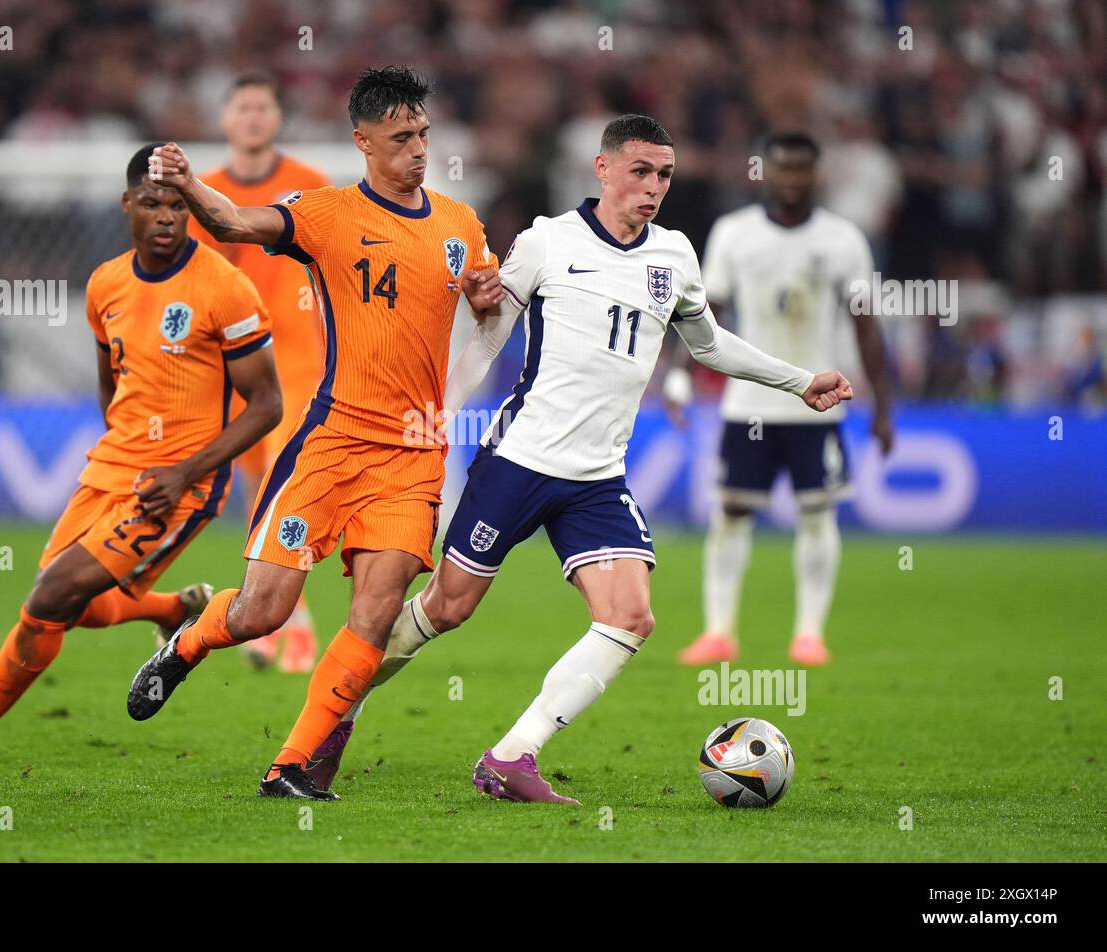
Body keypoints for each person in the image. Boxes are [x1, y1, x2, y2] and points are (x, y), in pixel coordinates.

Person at [304, 116, 854, 801]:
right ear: (602, 169)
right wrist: (436, 410)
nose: (653, 188)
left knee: (630, 616)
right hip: (520, 461)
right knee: (444, 610)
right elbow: (488, 335)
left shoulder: (675, 255)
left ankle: (511, 757)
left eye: (665, 176)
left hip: (596, 476)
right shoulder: (547, 240)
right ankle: (335, 714)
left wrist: (800, 381)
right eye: (640, 171)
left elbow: (709, 345)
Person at [125, 67, 506, 800]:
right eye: (401, 138)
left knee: (375, 610)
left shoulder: (461, 225)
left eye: (423, 134)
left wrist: (487, 301)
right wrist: (187, 184)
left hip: (415, 452)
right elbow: (236, 222)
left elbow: (488, 312)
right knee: (262, 612)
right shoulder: (328, 215)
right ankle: (192, 639)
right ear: (362, 141)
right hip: (331, 442)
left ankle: (290, 766)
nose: (418, 149)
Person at [0, 143, 282, 765]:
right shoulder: (106, 283)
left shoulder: (226, 288)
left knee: (49, 595)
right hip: (112, 467)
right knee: (75, 607)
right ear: (127, 205)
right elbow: (109, 378)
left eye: (177, 204)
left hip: (182, 483)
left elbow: (267, 406)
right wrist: (122, 446)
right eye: (151, 203)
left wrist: (182, 472)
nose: (166, 216)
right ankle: (174, 609)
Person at [674, 131, 893, 668]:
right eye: (783, 168)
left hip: (816, 404)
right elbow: (705, 317)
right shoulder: (733, 233)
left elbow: (866, 326)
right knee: (730, 512)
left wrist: (884, 407)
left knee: (817, 515)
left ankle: (809, 634)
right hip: (746, 401)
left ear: (817, 174)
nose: (792, 179)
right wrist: (680, 378)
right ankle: (719, 632)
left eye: (802, 169)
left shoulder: (843, 240)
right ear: (764, 172)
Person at [190, 68, 330, 674]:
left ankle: (293, 622)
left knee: (284, 483)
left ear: (276, 120)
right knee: (255, 490)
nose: (251, 117)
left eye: (262, 107)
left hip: (297, 356)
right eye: (241, 107)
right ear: (226, 119)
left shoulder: (308, 186)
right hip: (233, 362)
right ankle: (271, 618)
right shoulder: (206, 191)